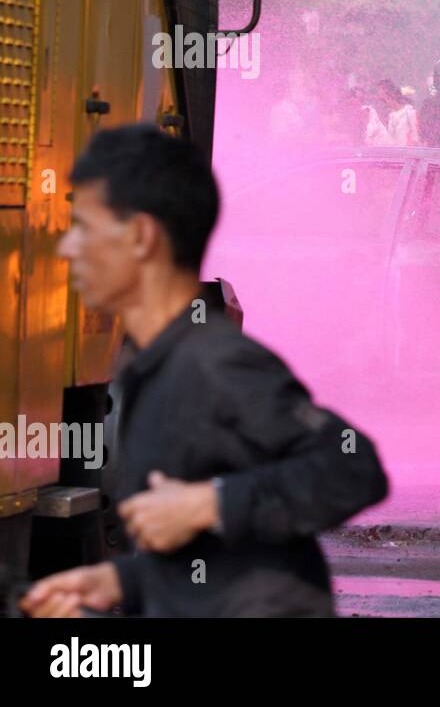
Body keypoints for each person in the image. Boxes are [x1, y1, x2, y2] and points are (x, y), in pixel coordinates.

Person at [20, 124, 389, 617]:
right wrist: (118, 581)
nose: (66, 249)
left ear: (141, 238)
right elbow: (211, 557)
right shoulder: (151, 370)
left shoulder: (215, 362)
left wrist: (207, 503)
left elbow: (353, 466)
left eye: (84, 227)